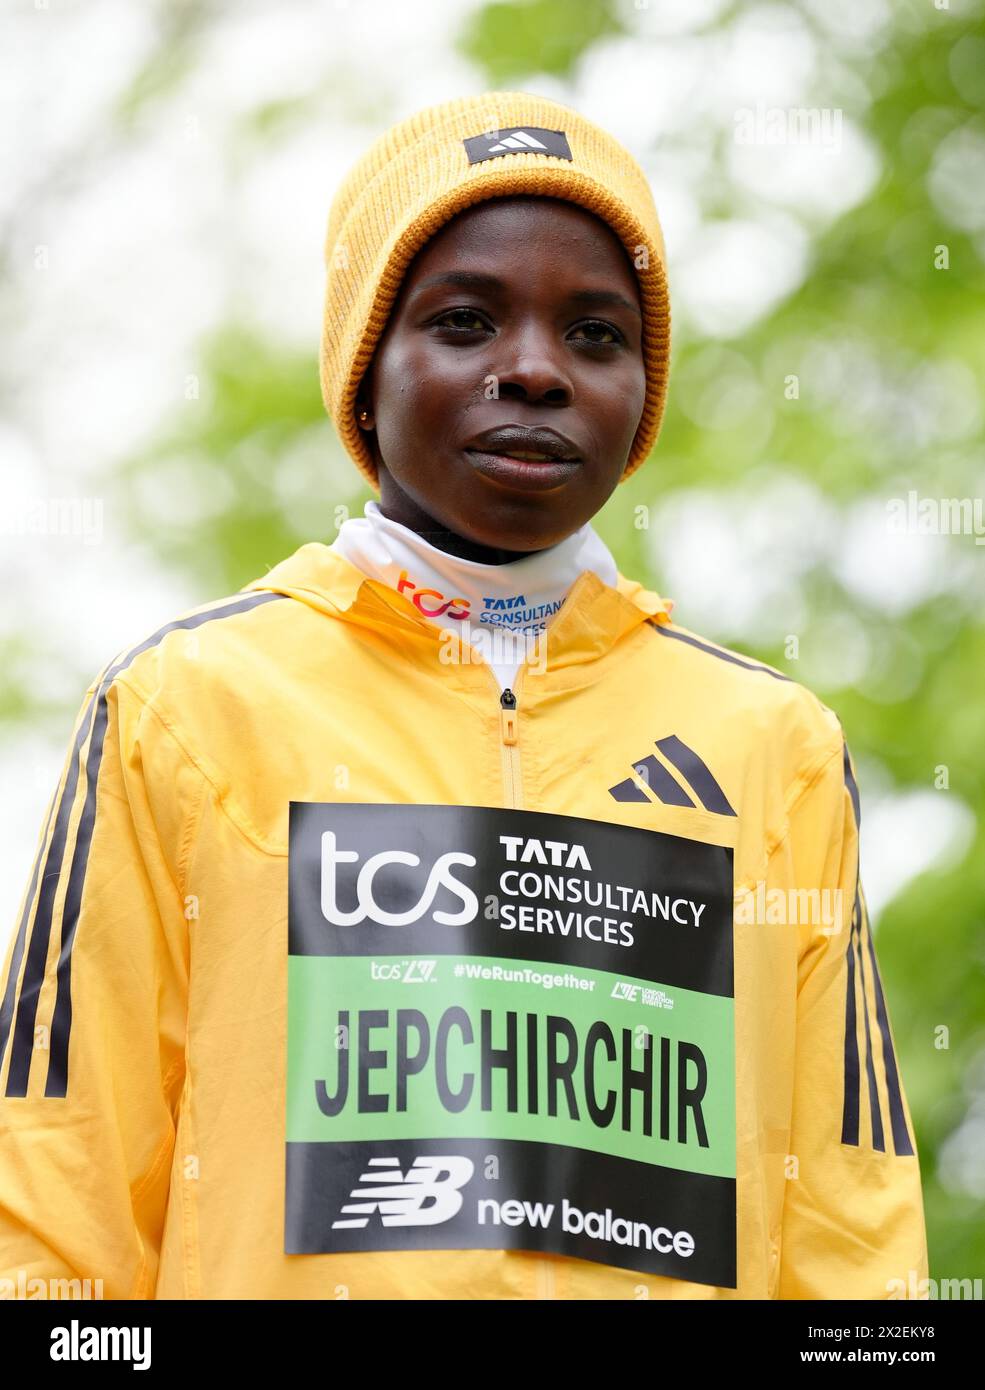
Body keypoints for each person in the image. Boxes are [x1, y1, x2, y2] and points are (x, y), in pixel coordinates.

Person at [0, 90, 927, 1301]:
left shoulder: (772, 747)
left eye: (595, 334)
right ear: (364, 371)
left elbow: (853, 1241)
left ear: (643, 391)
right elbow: (51, 1214)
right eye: (465, 320)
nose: (534, 370)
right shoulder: (183, 707)